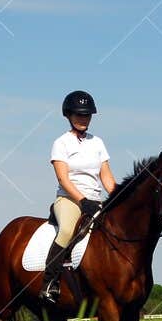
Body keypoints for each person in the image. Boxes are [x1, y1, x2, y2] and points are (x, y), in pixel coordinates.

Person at [41, 90, 116, 302]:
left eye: (86, 115)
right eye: (78, 114)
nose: (83, 119)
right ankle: (50, 282)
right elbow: (63, 179)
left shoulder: (97, 143)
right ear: (69, 115)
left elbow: (107, 178)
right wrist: (82, 201)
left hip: (95, 201)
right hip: (69, 199)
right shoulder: (61, 143)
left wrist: (120, 195)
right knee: (66, 231)